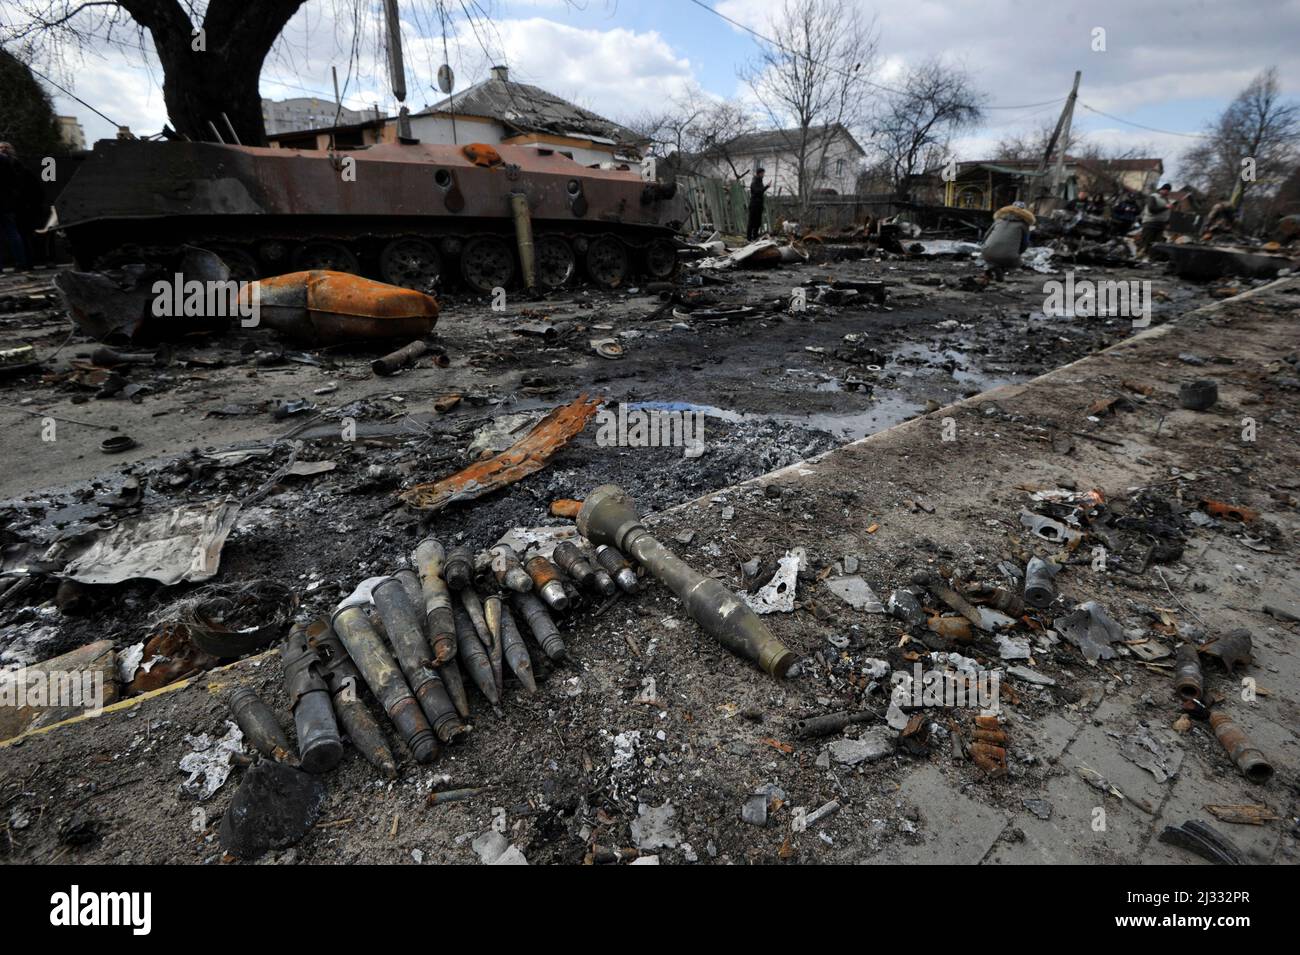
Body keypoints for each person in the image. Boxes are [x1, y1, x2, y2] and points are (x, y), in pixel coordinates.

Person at [980, 200, 1035, 279]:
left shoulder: (998, 221)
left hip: (986, 253)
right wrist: (1018, 253)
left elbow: (985, 236)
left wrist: (983, 248)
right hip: (1009, 257)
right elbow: (1025, 243)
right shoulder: (1023, 225)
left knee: (993, 256)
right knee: (1017, 262)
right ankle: (1000, 269)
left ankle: (991, 267)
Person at [0, 142, 32, 271]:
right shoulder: (7, 161)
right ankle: (21, 262)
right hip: (7, 202)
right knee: (13, 233)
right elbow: (14, 181)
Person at [1137, 182, 1173, 255]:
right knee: (1146, 242)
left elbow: (1167, 213)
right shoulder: (1153, 197)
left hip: (1161, 225)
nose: (1167, 192)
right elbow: (1152, 209)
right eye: (1166, 190)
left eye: (1168, 191)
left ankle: (1150, 258)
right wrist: (1165, 207)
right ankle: (1139, 256)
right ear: (1161, 190)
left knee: (1156, 244)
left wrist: (1167, 222)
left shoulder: (1166, 200)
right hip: (1150, 223)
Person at [746, 167, 769, 241]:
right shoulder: (754, 182)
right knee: (752, 222)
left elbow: (760, 192)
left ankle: (755, 236)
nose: (763, 175)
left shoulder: (760, 182)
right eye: (762, 173)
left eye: (763, 173)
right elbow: (757, 192)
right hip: (754, 205)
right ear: (759, 174)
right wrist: (766, 187)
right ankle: (749, 238)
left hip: (759, 205)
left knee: (758, 222)